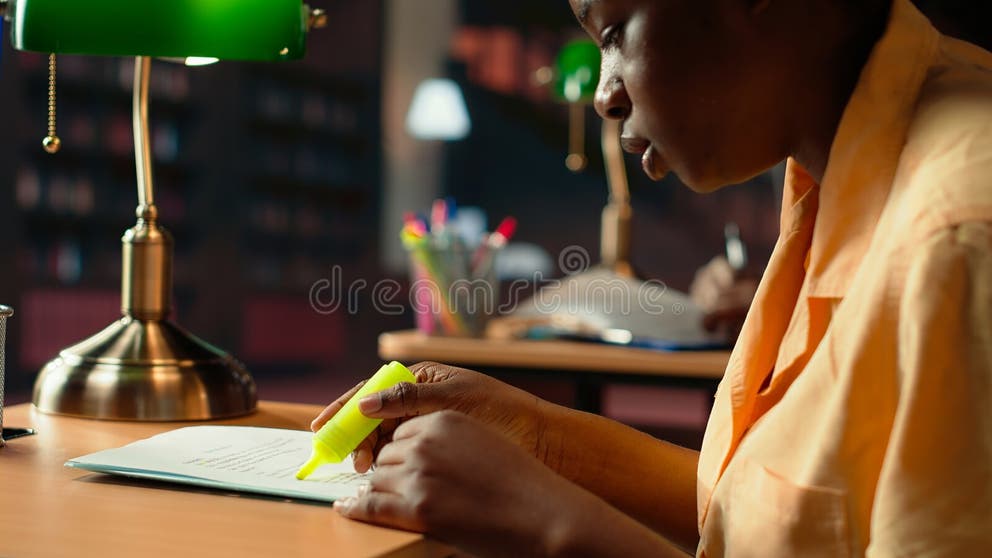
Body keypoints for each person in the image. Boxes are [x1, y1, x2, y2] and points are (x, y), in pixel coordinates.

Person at [315, 0, 992, 555]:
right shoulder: (836, 170)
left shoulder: (960, 234)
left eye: (613, 33)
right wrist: (529, 428)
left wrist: (549, 523)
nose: (607, 96)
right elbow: (750, 515)